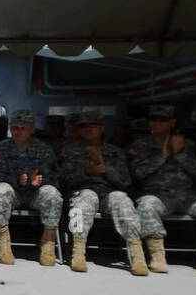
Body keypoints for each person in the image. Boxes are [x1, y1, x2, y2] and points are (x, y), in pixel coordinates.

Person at [127, 104, 196, 274]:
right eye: (153, 119)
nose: (157, 123)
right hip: (158, 196)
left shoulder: (188, 145)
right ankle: (157, 254)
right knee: (146, 204)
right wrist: (163, 155)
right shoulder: (141, 146)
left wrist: (181, 153)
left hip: (188, 196)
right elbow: (137, 173)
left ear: (172, 122)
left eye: (163, 120)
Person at [59, 110, 145, 274]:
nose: (88, 129)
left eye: (93, 125)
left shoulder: (115, 151)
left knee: (122, 200)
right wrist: (86, 172)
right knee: (82, 200)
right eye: (83, 126)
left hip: (109, 192)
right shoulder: (70, 151)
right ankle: (77, 251)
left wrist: (105, 168)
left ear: (102, 128)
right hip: (83, 190)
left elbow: (125, 181)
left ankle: (137, 254)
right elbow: (63, 180)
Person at [0, 109, 63, 266]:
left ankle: (48, 243)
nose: (18, 131)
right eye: (15, 127)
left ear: (32, 129)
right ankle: (3, 243)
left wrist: (40, 182)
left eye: (23, 128)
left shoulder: (44, 149)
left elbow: (54, 176)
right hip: (14, 194)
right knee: (0, 191)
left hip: (36, 195)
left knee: (52, 194)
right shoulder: (0, 148)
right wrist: (17, 181)